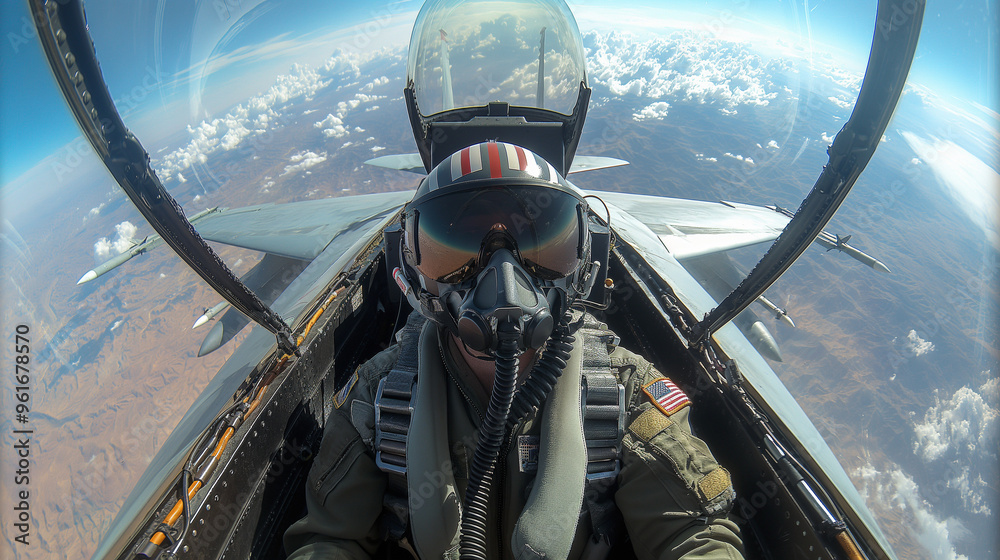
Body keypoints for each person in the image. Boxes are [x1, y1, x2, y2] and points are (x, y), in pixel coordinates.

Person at [284, 142, 744, 560]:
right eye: (458, 251)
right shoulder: (381, 397)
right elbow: (329, 542)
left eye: (539, 245)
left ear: (584, 262)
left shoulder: (623, 390)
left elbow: (694, 537)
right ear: (412, 272)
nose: (503, 280)